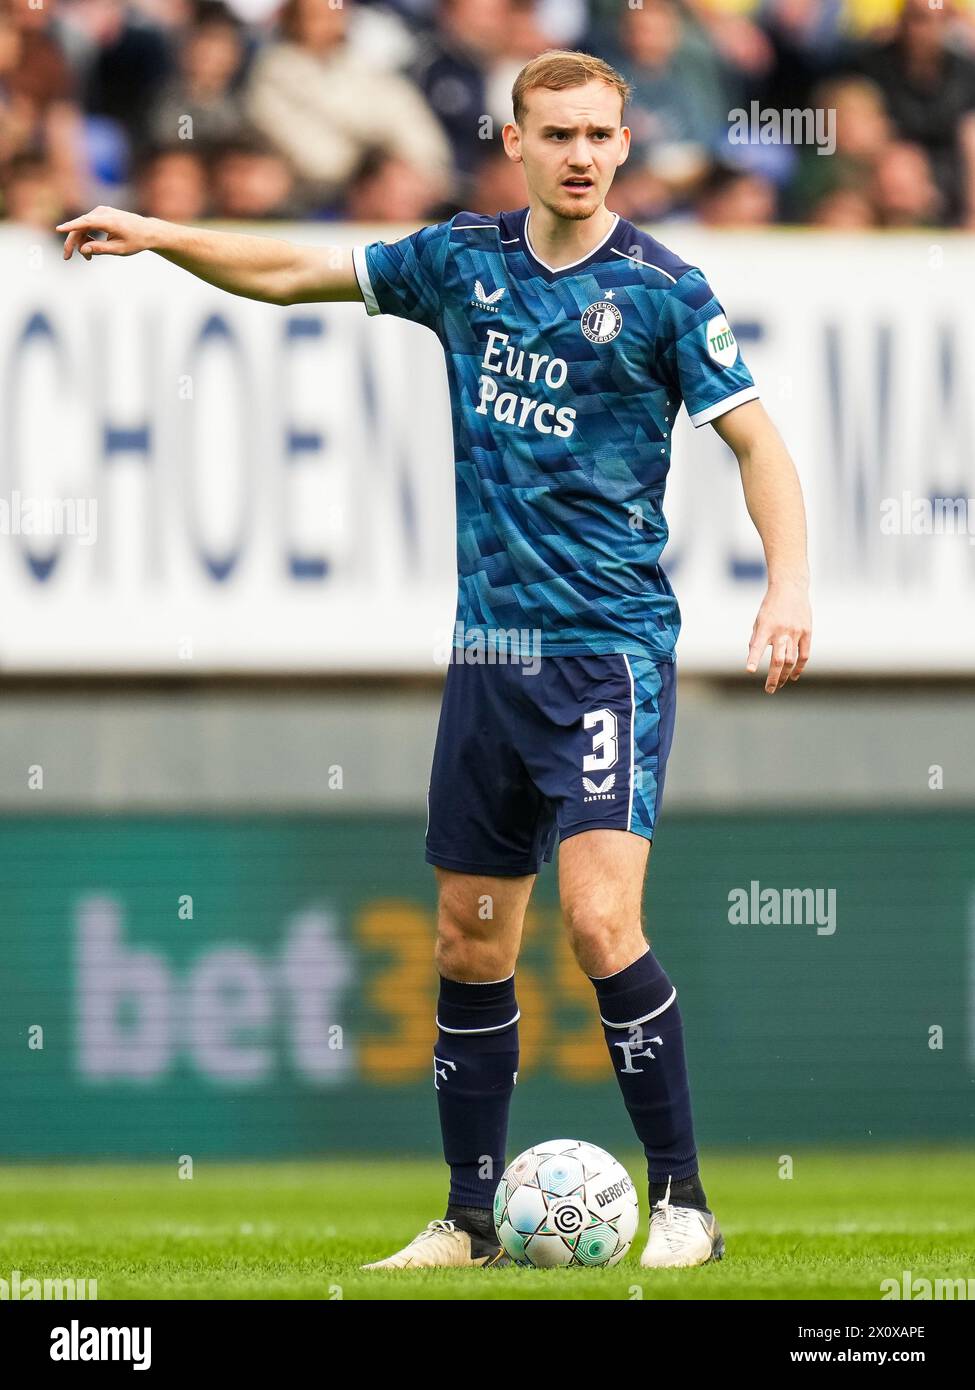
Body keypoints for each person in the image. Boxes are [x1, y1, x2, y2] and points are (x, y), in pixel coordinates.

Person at [57, 47, 812, 1273]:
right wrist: (158, 230)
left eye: (598, 135)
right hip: (487, 661)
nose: (578, 153)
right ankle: (467, 1221)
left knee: (600, 920)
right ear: (513, 141)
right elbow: (299, 269)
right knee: (468, 942)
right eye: (554, 132)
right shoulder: (462, 264)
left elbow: (759, 443)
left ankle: (685, 1205)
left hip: (605, 654)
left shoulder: (667, 292)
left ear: (625, 146)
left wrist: (789, 585)